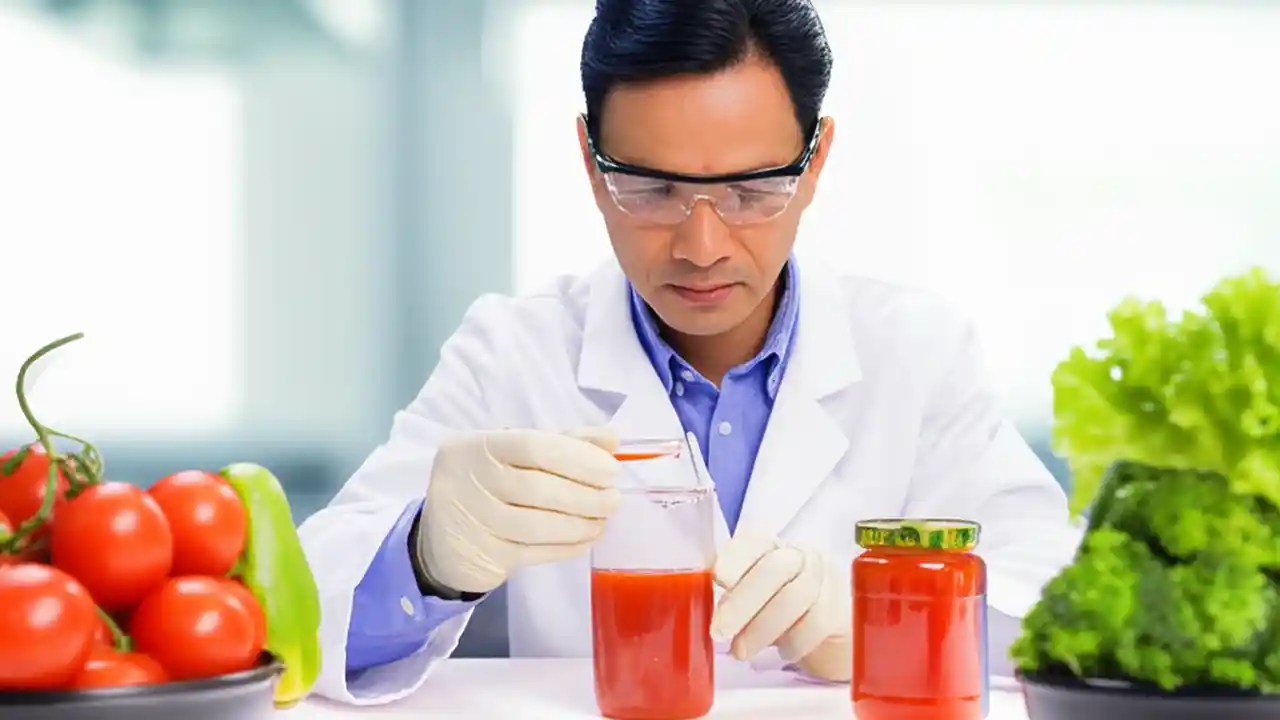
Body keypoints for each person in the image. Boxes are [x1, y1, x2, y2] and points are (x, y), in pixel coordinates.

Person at [299, 0, 1081, 705]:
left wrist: (882, 615)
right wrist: (426, 557)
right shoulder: (511, 353)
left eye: (751, 190)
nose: (701, 247)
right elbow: (305, 613)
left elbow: (1061, 610)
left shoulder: (916, 351)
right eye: (652, 189)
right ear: (591, 164)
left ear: (815, 163)